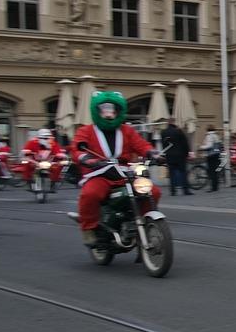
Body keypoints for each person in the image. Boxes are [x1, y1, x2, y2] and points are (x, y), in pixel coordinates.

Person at [73, 91, 161, 248]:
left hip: (125, 173)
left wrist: (152, 153)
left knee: (152, 191)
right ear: (97, 110)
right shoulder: (85, 131)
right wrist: (86, 159)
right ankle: (89, 229)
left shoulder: (127, 130)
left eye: (112, 109)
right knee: (90, 194)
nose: (108, 113)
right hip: (100, 173)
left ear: (119, 111)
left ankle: (144, 221)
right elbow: (77, 149)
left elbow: (141, 144)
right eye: (104, 109)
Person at [159, 118, 192, 196]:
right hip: (180, 155)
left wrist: (165, 154)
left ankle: (173, 191)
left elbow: (163, 145)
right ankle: (185, 190)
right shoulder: (178, 131)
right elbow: (185, 143)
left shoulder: (163, 132)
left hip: (169, 156)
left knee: (172, 174)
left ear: (168, 123)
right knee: (183, 173)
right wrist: (187, 154)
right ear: (174, 122)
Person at [200, 125, 221, 192]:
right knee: (215, 171)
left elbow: (209, 146)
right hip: (216, 155)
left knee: (212, 171)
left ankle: (213, 188)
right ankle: (215, 187)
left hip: (211, 155)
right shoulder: (216, 135)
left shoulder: (209, 136)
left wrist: (201, 147)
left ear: (207, 130)